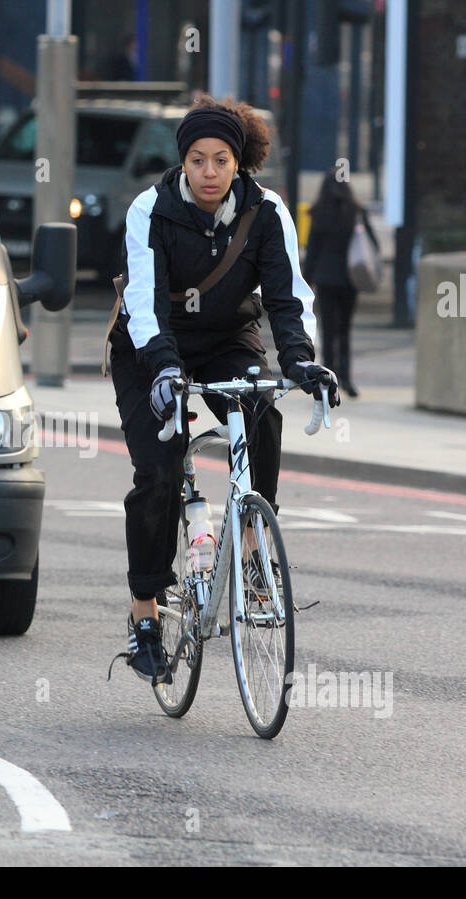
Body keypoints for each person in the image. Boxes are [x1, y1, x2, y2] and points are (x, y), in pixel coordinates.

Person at [106, 96, 339, 684]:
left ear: (239, 163)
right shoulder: (150, 210)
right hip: (148, 347)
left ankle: (254, 547)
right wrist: (162, 368)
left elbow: (288, 300)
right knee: (159, 468)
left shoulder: (266, 212)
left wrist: (302, 361)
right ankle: (143, 615)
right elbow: (144, 302)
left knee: (262, 409)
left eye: (221, 160)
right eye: (197, 160)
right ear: (182, 162)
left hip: (227, 338)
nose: (209, 172)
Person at [303, 170, 378, 398]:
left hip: (325, 278)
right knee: (344, 330)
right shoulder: (356, 213)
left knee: (327, 328)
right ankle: (346, 378)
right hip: (349, 278)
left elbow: (312, 251)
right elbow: (372, 243)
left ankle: (327, 377)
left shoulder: (318, 214)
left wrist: (306, 282)